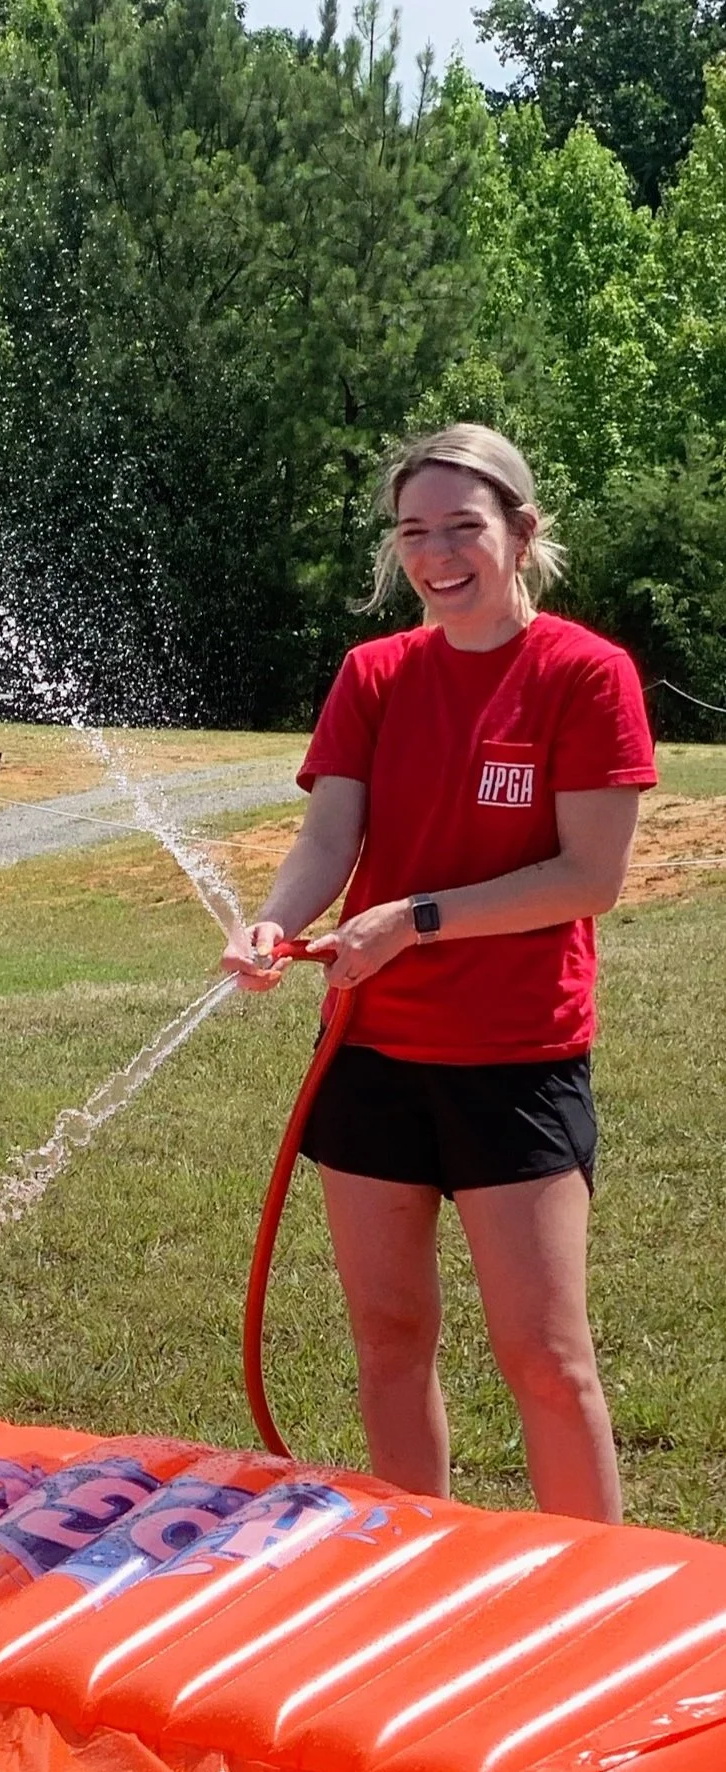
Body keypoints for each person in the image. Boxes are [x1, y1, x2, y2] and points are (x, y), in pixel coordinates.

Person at [226, 423, 655, 1521]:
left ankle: (590, 1614)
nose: (436, 554)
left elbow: (587, 878)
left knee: (549, 1361)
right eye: (414, 531)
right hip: (371, 1052)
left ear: (521, 533)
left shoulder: (585, 674)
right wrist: (272, 925)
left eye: (463, 527)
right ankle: (418, 1585)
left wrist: (413, 921)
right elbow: (329, 843)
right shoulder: (373, 675)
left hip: (515, 1059)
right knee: (390, 1338)